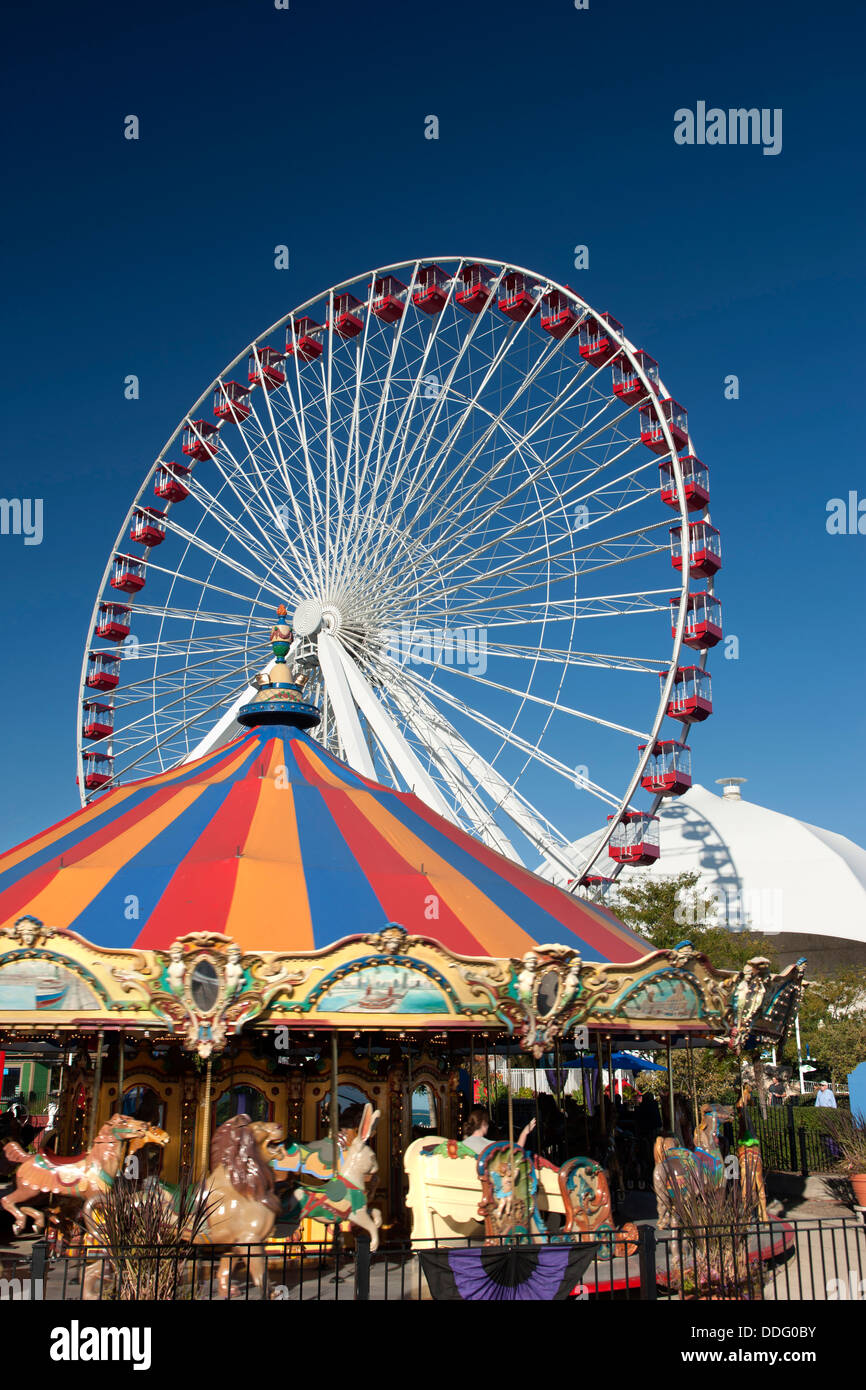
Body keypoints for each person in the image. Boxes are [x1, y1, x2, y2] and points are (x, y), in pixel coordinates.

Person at [462, 1106, 536, 1155]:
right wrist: (524, 1133)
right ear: (483, 1123)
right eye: (487, 1123)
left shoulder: (462, 1144)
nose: (488, 1126)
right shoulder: (490, 1146)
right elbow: (515, 1150)